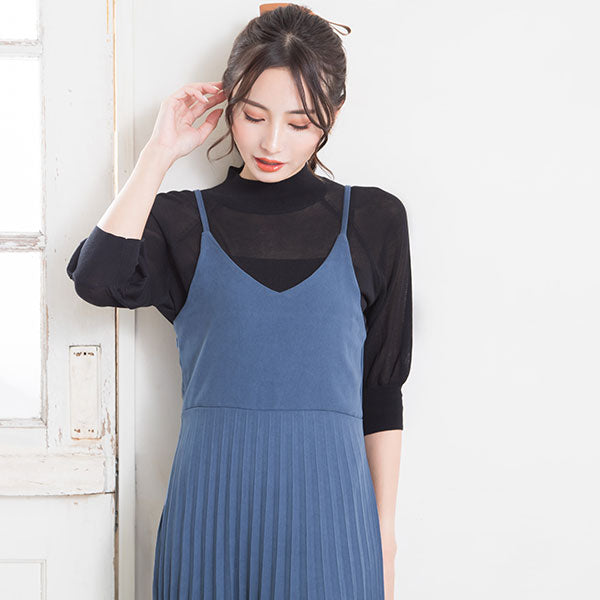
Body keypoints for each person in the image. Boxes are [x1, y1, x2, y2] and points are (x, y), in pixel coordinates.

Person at [66, 4, 412, 598]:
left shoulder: (374, 220)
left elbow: (380, 391)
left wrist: (384, 535)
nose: (272, 142)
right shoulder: (181, 223)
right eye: (253, 116)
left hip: (334, 524)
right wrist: (159, 152)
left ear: (331, 118)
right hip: (209, 518)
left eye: (300, 124)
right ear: (228, 104)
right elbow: (97, 280)